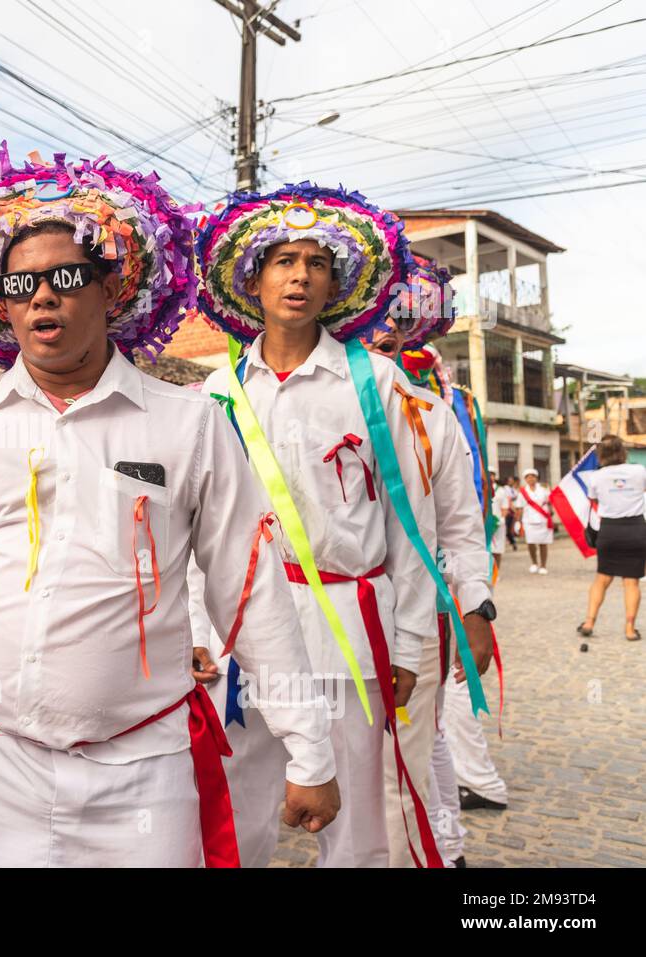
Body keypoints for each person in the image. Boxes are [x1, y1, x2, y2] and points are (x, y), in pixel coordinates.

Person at [0, 146, 338, 868]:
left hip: (145, 773)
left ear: (110, 288)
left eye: (64, 278)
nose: (41, 297)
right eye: (20, 282)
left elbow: (249, 587)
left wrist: (307, 742)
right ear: (1, 299)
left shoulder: (189, 424)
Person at [196, 184, 452, 867]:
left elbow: (412, 527)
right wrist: (197, 631)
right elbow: (198, 534)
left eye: (315, 262)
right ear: (253, 278)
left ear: (336, 281)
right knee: (233, 808)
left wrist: (410, 642)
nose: (299, 275)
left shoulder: (380, 385)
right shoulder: (215, 394)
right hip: (241, 640)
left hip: (349, 632)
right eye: (282, 260)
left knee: (360, 822)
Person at [361, 258, 495, 867]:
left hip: (420, 615)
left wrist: (476, 608)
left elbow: (463, 523)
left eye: (392, 335)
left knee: (417, 743)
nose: (381, 344)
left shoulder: (431, 411)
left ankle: (444, 847)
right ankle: (441, 845)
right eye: (369, 333)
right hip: (336, 615)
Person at [578, 435, 646, 641]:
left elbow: (594, 500)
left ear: (602, 454)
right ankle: (629, 629)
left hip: (610, 530)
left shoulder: (596, 477)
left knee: (602, 578)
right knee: (631, 581)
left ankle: (589, 622)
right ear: (622, 451)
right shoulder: (639, 471)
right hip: (635, 528)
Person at [518, 467, 553, 573]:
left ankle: (543, 565)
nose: (530, 479)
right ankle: (534, 563)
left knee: (543, 543)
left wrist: (551, 512)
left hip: (543, 519)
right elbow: (520, 507)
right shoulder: (523, 492)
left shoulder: (544, 489)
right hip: (528, 520)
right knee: (531, 543)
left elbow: (550, 502)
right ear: (525, 479)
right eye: (528, 477)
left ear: (536, 478)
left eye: (532, 476)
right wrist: (518, 521)